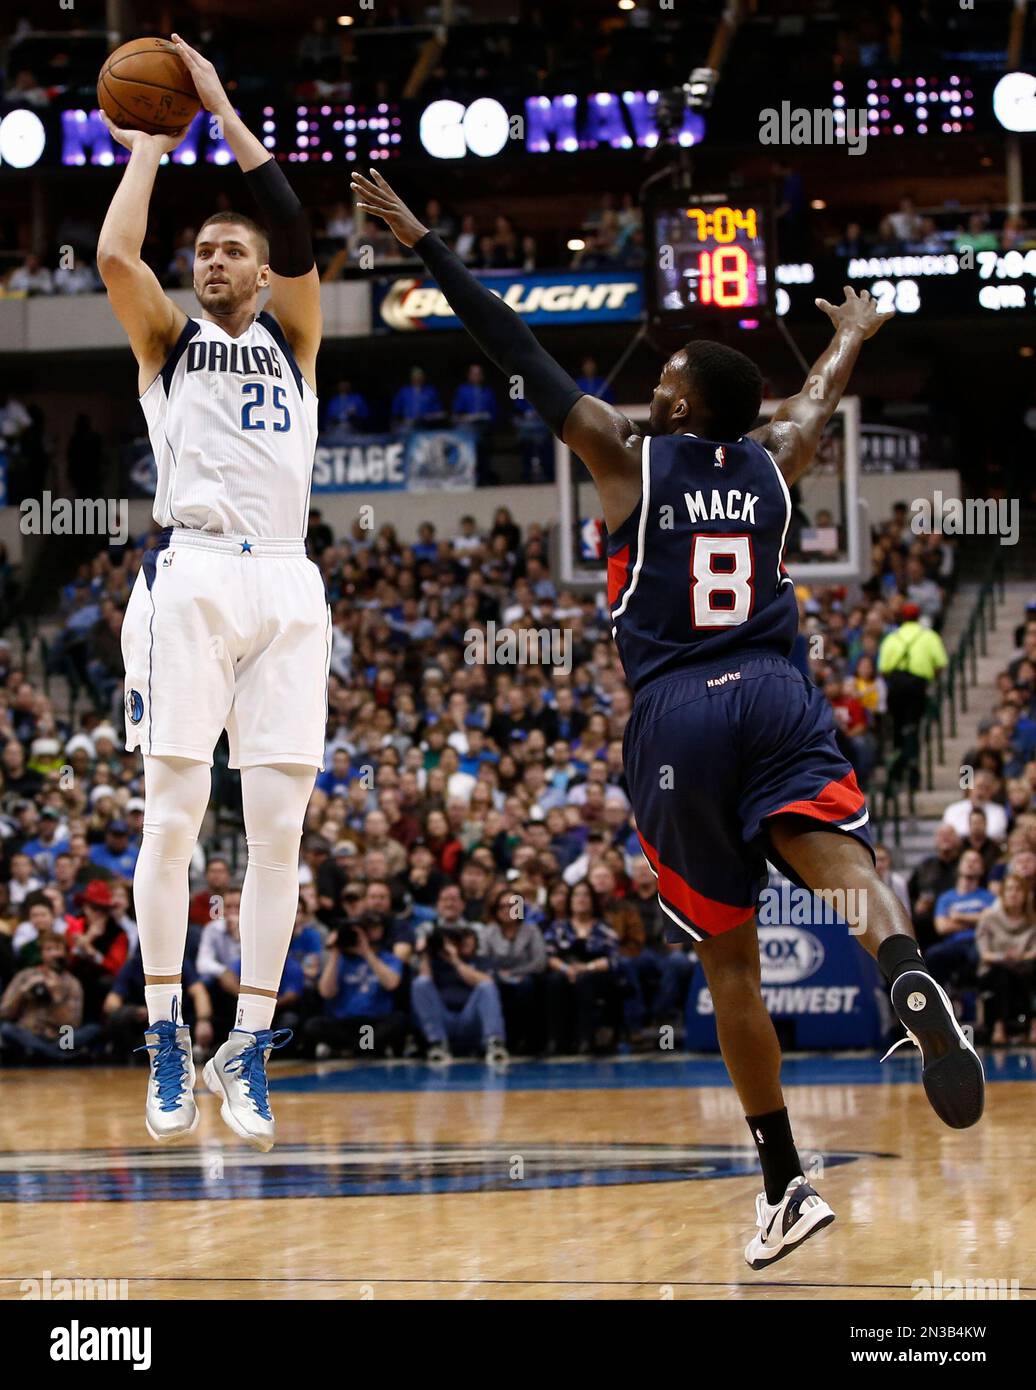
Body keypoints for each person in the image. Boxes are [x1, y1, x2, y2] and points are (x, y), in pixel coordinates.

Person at [349, 168, 983, 1271]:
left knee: (730, 966)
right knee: (839, 861)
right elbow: (811, 405)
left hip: (678, 709)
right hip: (778, 691)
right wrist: (853, 337)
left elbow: (515, 348)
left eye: (671, 378)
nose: (655, 386)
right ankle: (903, 969)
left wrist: (429, 245)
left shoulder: (620, 452)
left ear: (679, 404)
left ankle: (784, 1179)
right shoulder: (775, 472)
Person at [97, 35, 325, 1150]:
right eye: (205, 250)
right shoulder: (168, 343)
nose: (216, 260)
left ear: (267, 271)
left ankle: (250, 1046)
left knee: (278, 832)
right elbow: (112, 254)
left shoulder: (298, 338)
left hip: (287, 578)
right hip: (188, 575)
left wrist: (224, 106)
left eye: (233, 247)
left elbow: (298, 213)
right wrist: (147, 147)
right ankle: (164, 1035)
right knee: (175, 819)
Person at [411, 925, 508, 1064]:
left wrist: (455, 960)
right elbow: (424, 983)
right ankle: (437, 1043)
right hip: (442, 1020)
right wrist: (425, 954)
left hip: (470, 1019)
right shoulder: (432, 963)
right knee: (420, 983)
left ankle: (494, 1043)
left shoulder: (480, 961)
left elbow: (487, 982)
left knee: (486, 987)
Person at [0, 932, 100, 1062]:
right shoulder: (25, 976)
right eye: (48, 949)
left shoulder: (72, 982)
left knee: (93, 1029)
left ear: (64, 953)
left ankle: (42, 1052)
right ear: (42, 953)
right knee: (7, 1029)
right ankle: (58, 1056)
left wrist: (56, 996)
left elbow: (70, 1025)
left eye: (57, 949)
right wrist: (21, 992)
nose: (53, 954)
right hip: (29, 1034)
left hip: (59, 1038)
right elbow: (4, 1013)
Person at [975, 873, 1036, 1045]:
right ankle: (998, 1027)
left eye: (1018, 889)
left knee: (1029, 971)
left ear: (1025, 895)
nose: (1014, 893)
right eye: (1009, 889)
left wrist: (1021, 956)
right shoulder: (989, 918)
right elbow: (984, 953)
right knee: (1002, 974)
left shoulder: (1032, 921)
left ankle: (1033, 1026)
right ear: (1002, 894)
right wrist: (1003, 956)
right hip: (994, 968)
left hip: (1024, 967)